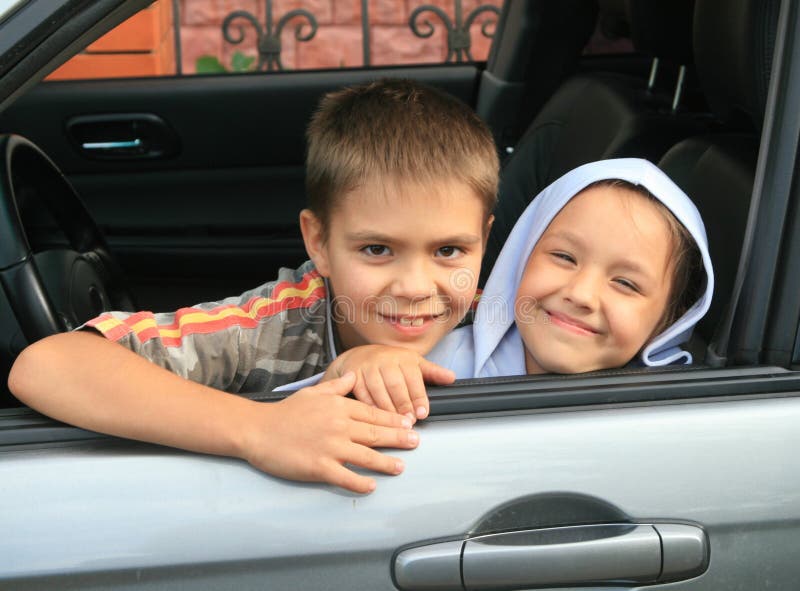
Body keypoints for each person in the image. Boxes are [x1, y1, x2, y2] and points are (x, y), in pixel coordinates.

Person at [8, 78, 499, 494]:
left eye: (448, 251)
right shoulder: (279, 324)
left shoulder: (500, 321)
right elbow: (48, 366)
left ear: (485, 240)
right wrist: (259, 429)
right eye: (376, 250)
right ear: (319, 242)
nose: (415, 287)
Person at [324, 158, 713, 404]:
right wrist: (359, 366)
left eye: (625, 283)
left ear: (669, 320)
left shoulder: (677, 411)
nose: (580, 294)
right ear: (520, 258)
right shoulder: (434, 365)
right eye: (563, 257)